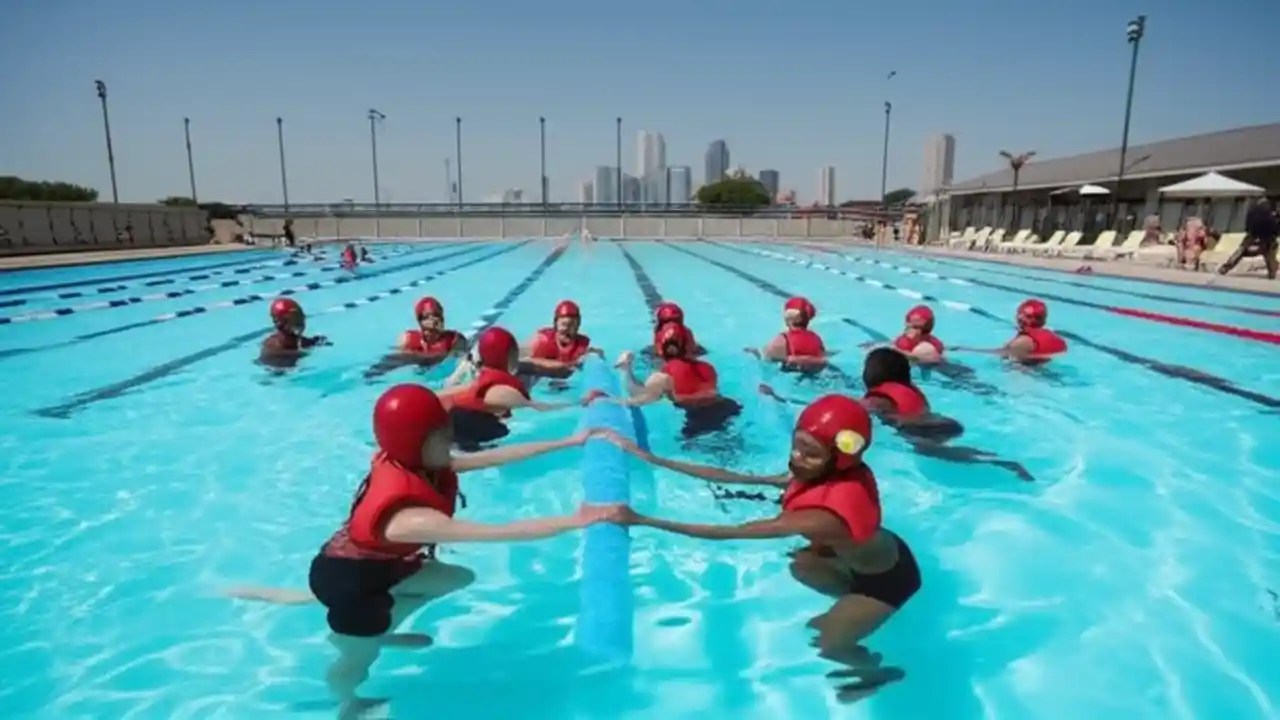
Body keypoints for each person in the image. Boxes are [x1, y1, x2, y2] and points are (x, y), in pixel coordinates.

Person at [227, 383, 616, 717]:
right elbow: (501, 532)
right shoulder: (410, 518)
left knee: (456, 577)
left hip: (375, 569)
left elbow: (488, 458)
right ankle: (348, 704)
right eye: (440, 433)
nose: (450, 436)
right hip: (351, 586)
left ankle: (386, 629)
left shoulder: (413, 463)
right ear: (416, 442)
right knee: (355, 661)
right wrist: (578, 520)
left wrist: (568, 441)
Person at [601, 394, 919, 696]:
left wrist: (643, 520)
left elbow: (733, 532)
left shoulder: (824, 518)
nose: (798, 458)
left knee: (826, 639)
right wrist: (649, 456)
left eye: (810, 454)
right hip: (862, 555)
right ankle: (853, 605)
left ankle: (873, 673)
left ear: (836, 460)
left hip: (888, 581)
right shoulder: (821, 471)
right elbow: (736, 478)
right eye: (797, 446)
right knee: (800, 564)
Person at [762, 349, 1034, 482]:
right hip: (942, 423)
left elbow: (854, 411)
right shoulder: (908, 389)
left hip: (920, 430)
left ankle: (1000, 463)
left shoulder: (879, 398)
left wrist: (783, 399)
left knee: (938, 454)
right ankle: (996, 460)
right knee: (946, 451)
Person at [441, 326, 595, 449]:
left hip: (452, 424)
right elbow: (544, 408)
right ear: (508, 358)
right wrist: (581, 402)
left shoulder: (479, 379)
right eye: (515, 354)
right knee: (501, 432)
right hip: (463, 431)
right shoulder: (504, 391)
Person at [613, 323, 742, 437]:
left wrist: (626, 372)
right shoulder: (707, 368)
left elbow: (641, 398)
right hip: (727, 406)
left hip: (696, 416)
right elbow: (709, 393)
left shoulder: (665, 374)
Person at [951, 299, 1066, 365]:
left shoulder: (1021, 342)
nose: (1021, 318)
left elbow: (1001, 356)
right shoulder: (1056, 338)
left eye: (1025, 316)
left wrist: (965, 350)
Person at [521, 300, 601, 378]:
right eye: (564, 324)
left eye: (571, 325)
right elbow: (516, 356)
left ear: (578, 326)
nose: (566, 329)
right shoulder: (542, 340)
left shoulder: (583, 346)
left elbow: (598, 361)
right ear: (556, 324)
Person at [747, 297, 829, 372]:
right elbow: (821, 358)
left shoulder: (784, 338)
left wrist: (755, 352)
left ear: (787, 317)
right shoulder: (816, 339)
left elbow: (766, 356)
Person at [1218, 198, 1278, 279]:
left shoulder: (1252, 212)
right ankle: (1272, 273)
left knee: (1240, 251)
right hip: (1267, 239)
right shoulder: (1271, 214)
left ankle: (1225, 267)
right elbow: (1275, 228)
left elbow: (1247, 226)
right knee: (1270, 254)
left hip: (1252, 237)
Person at [260, 297, 330, 367]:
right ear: (279, 323)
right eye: (293, 319)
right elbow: (271, 354)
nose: (298, 322)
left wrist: (316, 341)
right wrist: (298, 353)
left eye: (299, 317)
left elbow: (306, 343)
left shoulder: (298, 339)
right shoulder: (274, 344)